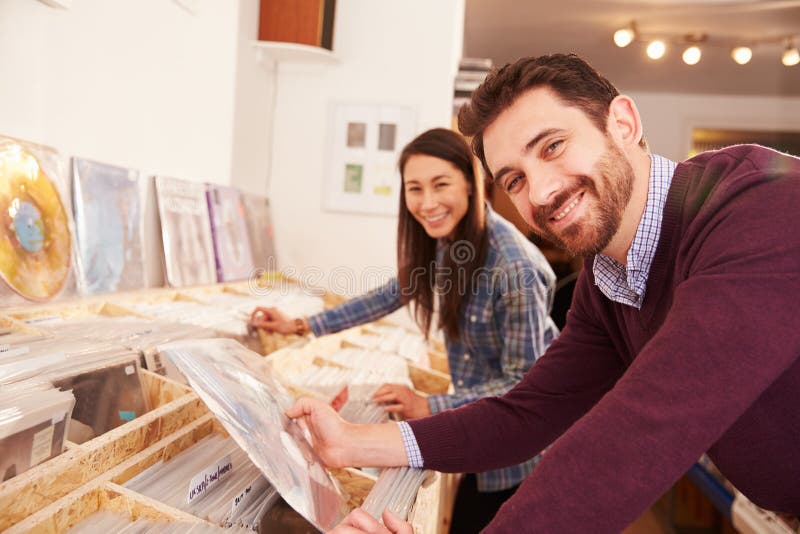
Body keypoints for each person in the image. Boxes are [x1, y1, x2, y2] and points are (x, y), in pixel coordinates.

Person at [287, 53, 800, 533]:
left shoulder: (761, 208)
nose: (540, 192)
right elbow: (526, 412)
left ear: (622, 124)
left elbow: (637, 437)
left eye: (552, 147)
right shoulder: (608, 279)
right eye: (514, 179)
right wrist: (353, 440)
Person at [250, 127, 559, 531]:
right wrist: (302, 324)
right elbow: (392, 294)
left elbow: (526, 388)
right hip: (482, 438)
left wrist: (426, 406)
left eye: (440, 184)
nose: (427, 203)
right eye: (415, 188)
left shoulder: (513, 267)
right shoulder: (449, 240)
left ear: (471, 182)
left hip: (524, 460)